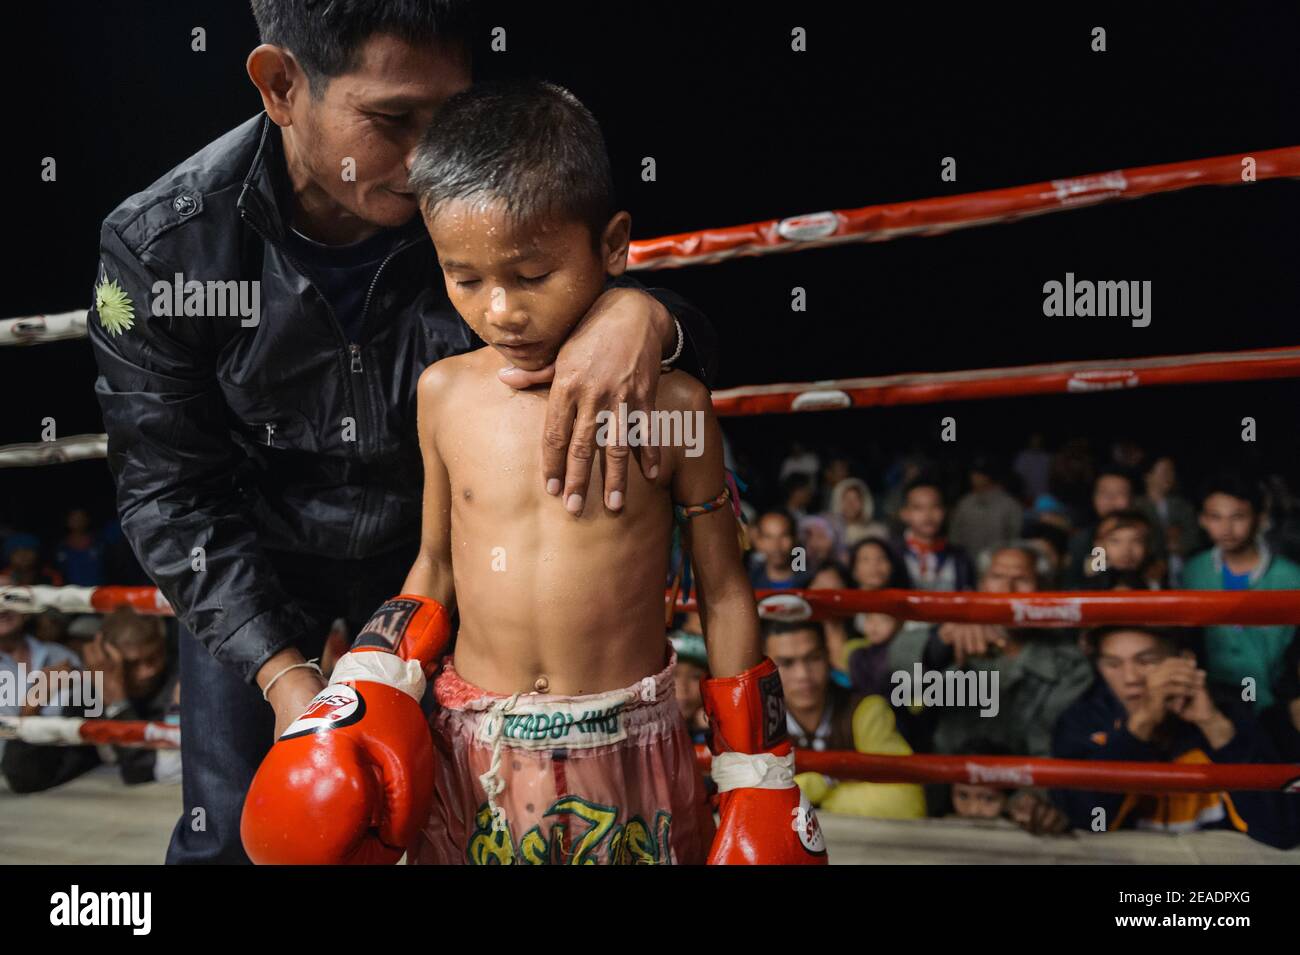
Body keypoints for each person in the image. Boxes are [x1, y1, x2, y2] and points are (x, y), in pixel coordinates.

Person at [89, 1, 719, 865]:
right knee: (242, 837)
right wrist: (286, 677)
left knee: (444, 837)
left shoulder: (469, 201)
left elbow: (597, 281)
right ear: (280, 85)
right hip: (257, 581)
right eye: (392, 119)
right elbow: (166, 488)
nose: (429, 160)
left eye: (447, 114)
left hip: (448, 574)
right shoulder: (166, 246)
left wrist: (644, 315)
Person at [242, 80, 823, 866]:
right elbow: (436, 565)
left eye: (532, 275)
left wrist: (758, 770)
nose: (500, 310)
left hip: (630, 744)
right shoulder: (443, 394)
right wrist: (369, 681)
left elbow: (723, 589)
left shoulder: (674, 403)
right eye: (465, 277)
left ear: (612, 245)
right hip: (473, 748)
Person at [1051, 626, 1300, 848]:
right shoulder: (1082, 721)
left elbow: (1281, 831)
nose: (1130, 679)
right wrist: (1139, 728)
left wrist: (1215, 726)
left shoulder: (1230, 714)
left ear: (1185, 661)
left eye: (1146, 660)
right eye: (1113, 664)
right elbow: (1084, 824)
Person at [887, 545, 1093, 758]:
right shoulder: (950, 638)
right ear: (981, 585)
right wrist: (940, 644)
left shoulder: (1068, 662)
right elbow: (896, 671)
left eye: (1022, 579)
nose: (1008, 588)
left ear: (1043, 590)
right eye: (997, 577)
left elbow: (1052, 743)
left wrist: (1033, 790)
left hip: (1026, 782)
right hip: (951, 779)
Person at [2, 608, 181, 792]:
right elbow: (24, 779)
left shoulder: (177, 688)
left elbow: (144, 772)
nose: (148, 671)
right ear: (105, 659)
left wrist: (117, 704)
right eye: (132, 664)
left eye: (154, 658)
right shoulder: (89, 698)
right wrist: (31, 709)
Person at [766, 621, 925, 820]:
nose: (803, 675)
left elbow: (907, 803)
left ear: (828, 656)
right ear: (766, 669)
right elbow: (752, 807)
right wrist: (836, 782)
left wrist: (817, 794)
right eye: (787, 663)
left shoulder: (866, 710)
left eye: (813, 658)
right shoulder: (758, 720)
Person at [1181, 472, 1300, 710]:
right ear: (1202, 520)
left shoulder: (1291, 576)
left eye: (1238, 517)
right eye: (1215, 517)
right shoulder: (1193, 570)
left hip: (1277, 701)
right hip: (1212, 697)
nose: (1226, 528)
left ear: (1259, 518)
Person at [890, 477, 974, 591]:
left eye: (935, 506)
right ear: (904, 513)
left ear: (944, 511)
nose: (928, 514)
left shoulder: (960, 556)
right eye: (918, 508)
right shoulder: (891, 554)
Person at [1063, 468, 1136, 586]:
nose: (1111, 499)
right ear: (1094, 498)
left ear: (1132, 499)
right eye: (1105, 493)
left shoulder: (1146, 532)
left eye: (1120, 493)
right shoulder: (1082, 539)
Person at [948, 457, 1024, 562]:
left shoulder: (1010, 505)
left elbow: (1015, 539)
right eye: (974, 473)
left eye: (980, 474)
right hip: (967, 564)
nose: (974, 477)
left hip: (998, 564)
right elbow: (954, 536)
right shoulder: (965, 503)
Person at [750, 510, 814, 590]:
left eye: (784, 535)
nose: (776, 545)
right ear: (759, 541)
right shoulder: (748, 582)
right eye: (768, 537)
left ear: (795, 538)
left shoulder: (813, 580)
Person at [825, 476, 888, 550]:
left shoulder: (877, 532)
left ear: (864, 503)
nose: (850, 504)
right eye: (846, 499)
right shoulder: (827, 530)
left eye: (856, 499)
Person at [54, 508, 103, 587]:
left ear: (87, 519)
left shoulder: (100, 544)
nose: (77, 521)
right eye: (73, 517)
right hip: (69, 592)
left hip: (98, 590)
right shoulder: (60, 547)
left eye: (80, 517)